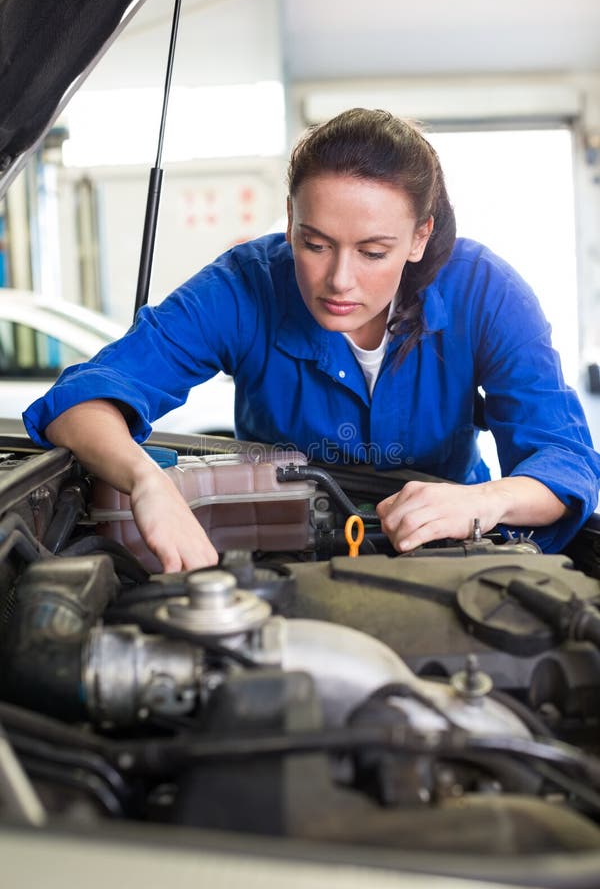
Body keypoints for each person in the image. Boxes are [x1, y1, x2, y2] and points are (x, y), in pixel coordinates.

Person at [23, 108, 600, 572]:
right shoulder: (246, 286)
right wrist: (146, 482)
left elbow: (566, 462)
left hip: (448, 558)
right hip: (279, 561)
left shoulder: (485, 291)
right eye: (315, 243)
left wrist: (483, 501)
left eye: (373, 252)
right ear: (290, 218)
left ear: (420, 236)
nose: (339, 280)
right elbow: (78, 403)